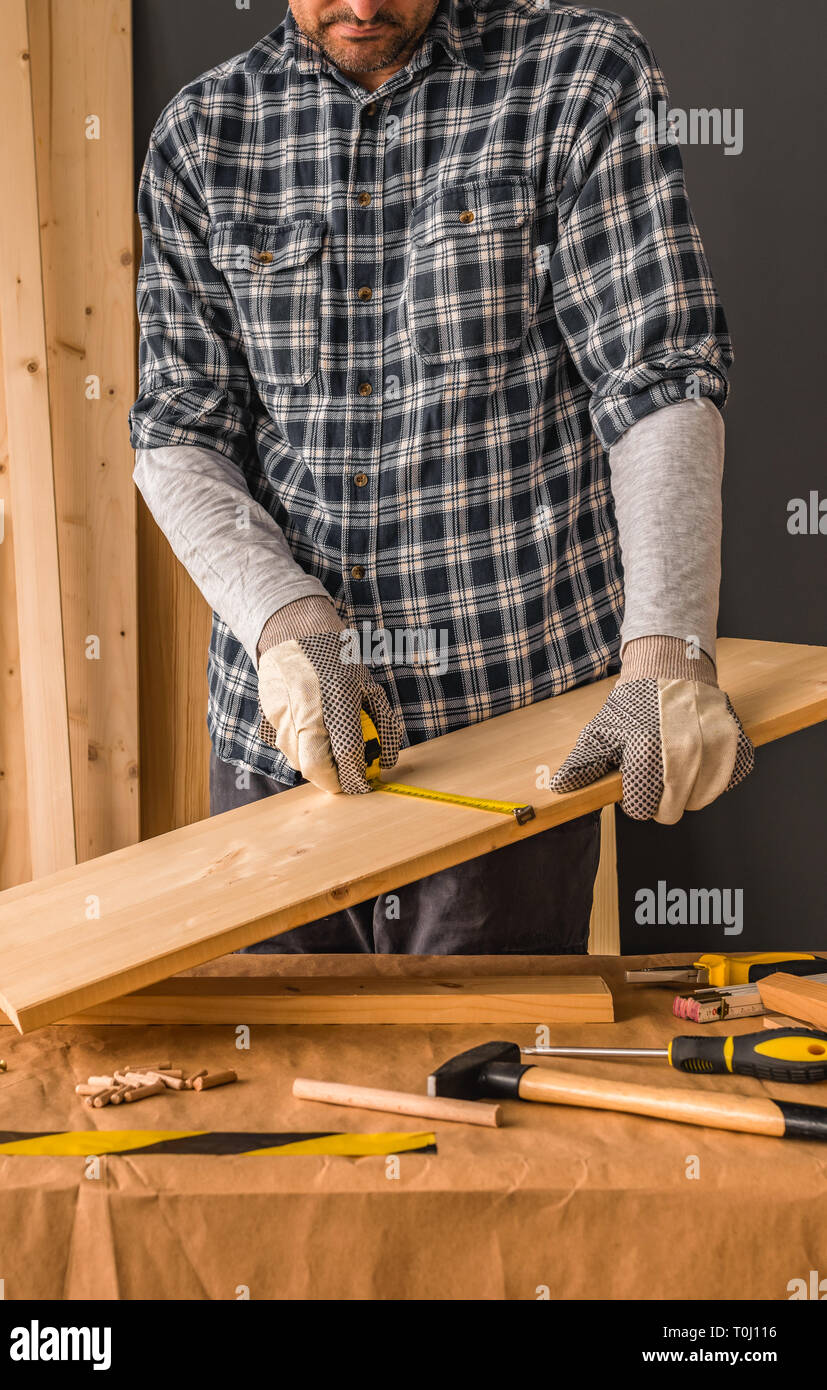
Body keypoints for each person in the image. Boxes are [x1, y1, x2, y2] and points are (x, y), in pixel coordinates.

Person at [129, 0, 753, 955]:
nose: (363, 5)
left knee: (478, 1082)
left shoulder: (577, 74)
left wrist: (667, 646)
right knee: (277, 1090)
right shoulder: (203, 133)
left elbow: (656, 379)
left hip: (508, 747)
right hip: (288, 745)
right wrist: (282, 617)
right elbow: (178, 432)